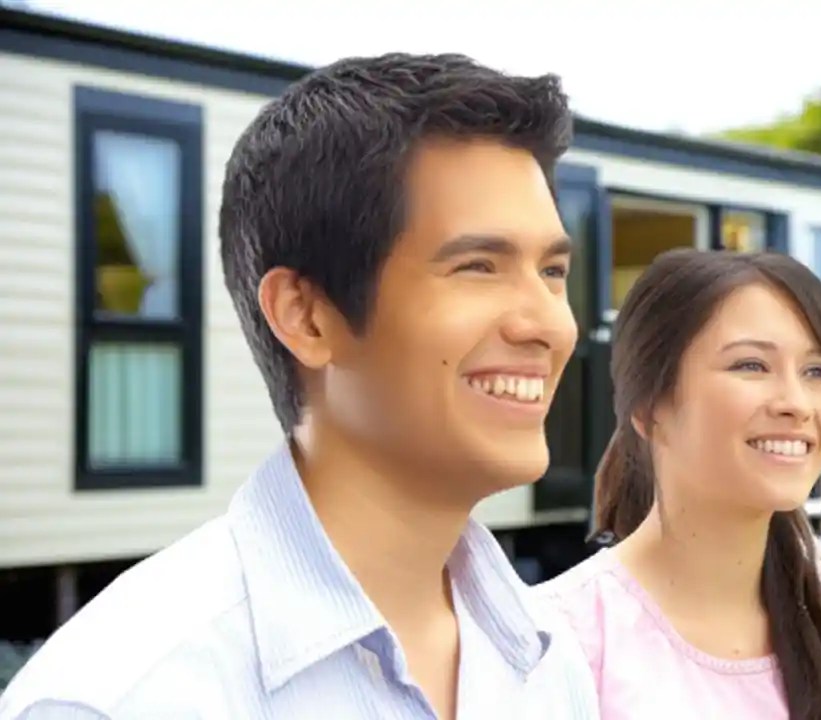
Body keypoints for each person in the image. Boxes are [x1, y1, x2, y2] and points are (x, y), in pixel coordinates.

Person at [0, 53, 599, 719]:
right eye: (478, 266)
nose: (550, 323)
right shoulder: (124, 698)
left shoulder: (545, 657)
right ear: (306, 317)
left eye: (551, 271)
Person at [536, 248, 821, 720]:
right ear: (648, 409)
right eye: (751, 365)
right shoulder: (564, 640)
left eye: (817, 372)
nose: (797, 404)